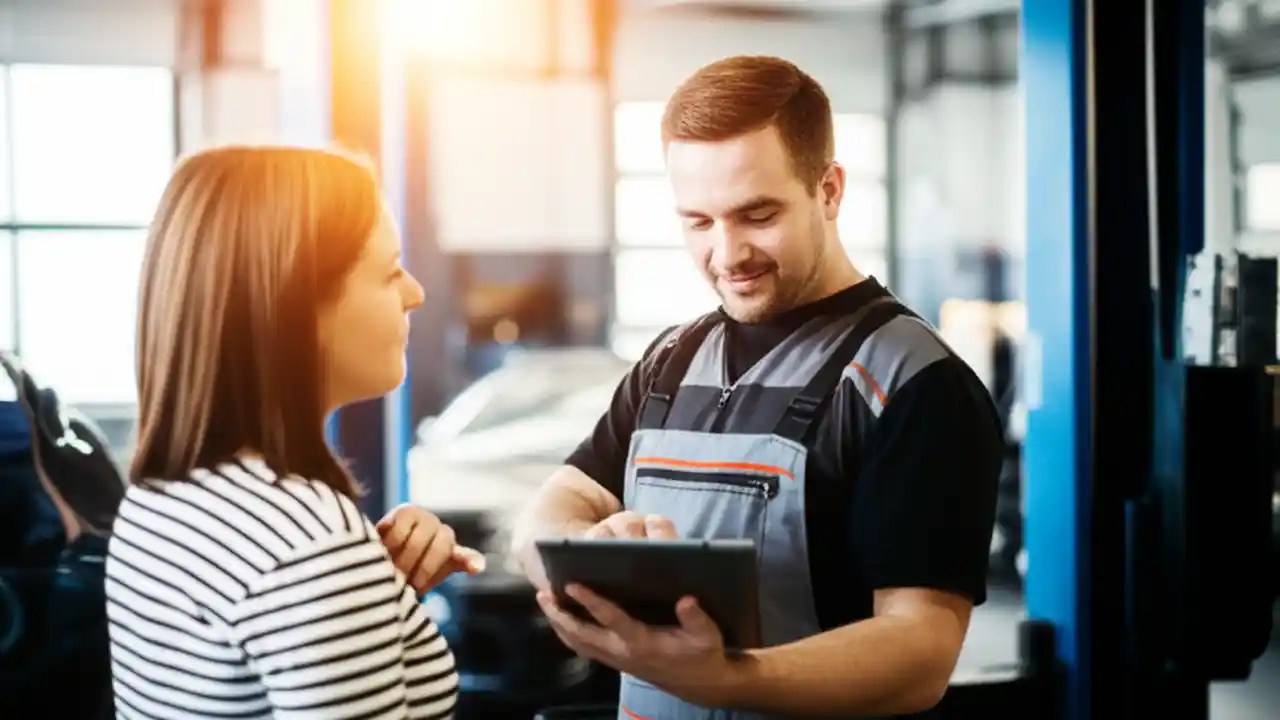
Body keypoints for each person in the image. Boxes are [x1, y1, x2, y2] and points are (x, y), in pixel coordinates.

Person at [511, 55, 1002, 719]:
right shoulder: (670, 361)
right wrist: (577, 561)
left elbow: (920, 651)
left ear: (828, 190)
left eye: (757, 214)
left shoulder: (915, 383)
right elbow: (559, 502)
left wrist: (720, 678)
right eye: (699, 222)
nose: (728, 253)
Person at [105, 146, 476, 719]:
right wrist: (339, 572)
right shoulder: (307, 543)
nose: (415, 293)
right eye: (388, 271)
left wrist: (377, 589)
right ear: (297, 307)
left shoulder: (164, 494)